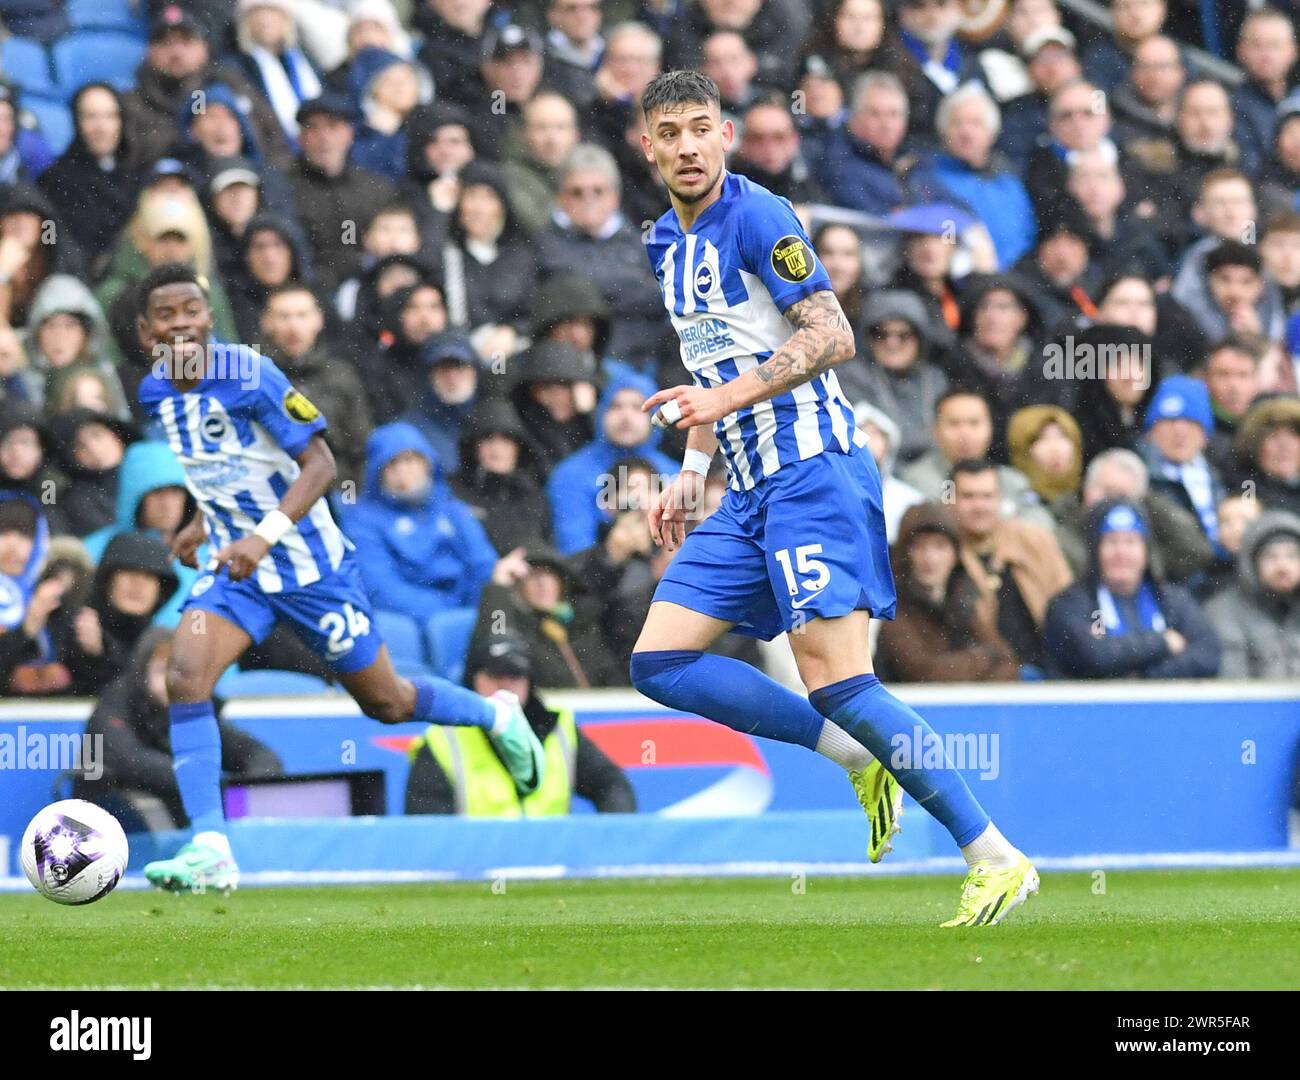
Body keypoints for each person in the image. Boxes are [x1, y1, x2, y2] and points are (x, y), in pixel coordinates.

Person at [630, 71, 1037, 926]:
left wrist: (724, 402)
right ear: (649, 145)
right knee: (658, 664)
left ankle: (994, 855)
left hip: (814, 471)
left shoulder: (762, 216)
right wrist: (694, 468)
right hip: (745, 487)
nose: (688, 146)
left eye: (701, 128)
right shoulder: (664, 242)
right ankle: (853, 755)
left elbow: (833, 333)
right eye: (670, 133)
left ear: (727, 134)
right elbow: (715, 365)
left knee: (839, 679)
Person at [131, 263, 545, 894]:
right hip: (237, 570)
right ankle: (211, 845)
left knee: (387, 703)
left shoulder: (250, 375)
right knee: (185, 676)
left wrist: (262, 536)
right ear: (145, 331)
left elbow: (319, 464)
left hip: (310, 568)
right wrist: (196, 522)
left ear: (209, 317)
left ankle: (496, 717)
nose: (183, 323)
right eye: (167, 314)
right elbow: (214, 464)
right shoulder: (154, 392)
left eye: (193, 309)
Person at [405, 633, 637, 816]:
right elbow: (428, 825)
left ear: (529, 683)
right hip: (476, 867)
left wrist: (610, 839)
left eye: (515, 676)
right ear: (472, 679)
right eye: (494, 676)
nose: (505, 686)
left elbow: (611, 785)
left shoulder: (559, 729)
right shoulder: (443, 740)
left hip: (551, 865)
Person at [75, 628, 283, 830]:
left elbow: (257, 754)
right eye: (161, 670)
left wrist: (248, 789)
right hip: (114, 819)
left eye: (179, 671)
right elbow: (129, 759)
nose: (170, 681)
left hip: (178, 807)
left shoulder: (191, 708)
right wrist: (205, 780)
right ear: (142, 672)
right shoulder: (115, 704)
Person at [1044, 498, 1221, 678]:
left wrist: (1147, 677)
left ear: (1146, 551)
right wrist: (1163, 642)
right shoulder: (1070, 604)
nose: (1121, 553)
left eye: (1130, 542)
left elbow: (1207, 655)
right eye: (1111, 542)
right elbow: (1095, 656)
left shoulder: (1172, 599)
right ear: (1096, 550)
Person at [341, 421, 498, 621]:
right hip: (410, 622)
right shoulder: (360, 521)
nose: (402, 471)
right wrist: (450, 612)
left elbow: (482, 563)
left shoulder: (452, 508)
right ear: (377, 472)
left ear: (427, 464)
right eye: (391, 463)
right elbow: (381, 589)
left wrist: (471, 602)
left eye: (409, 460)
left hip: (467, 609)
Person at [877, 502, 1020, 682]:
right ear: (906, 553)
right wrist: (982, 659)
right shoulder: (891, 607)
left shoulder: (963, 599)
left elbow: (1008, 663)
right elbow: (923, 673)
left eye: (940, 546)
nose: (930, 558)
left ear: (955, 555)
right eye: (919, 546)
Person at [1204, 510, 1300, 678]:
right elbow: (1233, 690)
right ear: (1252, 563)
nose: (1282, 566)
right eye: (1270, 557)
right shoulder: (1223, 612)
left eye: (1292, 556)